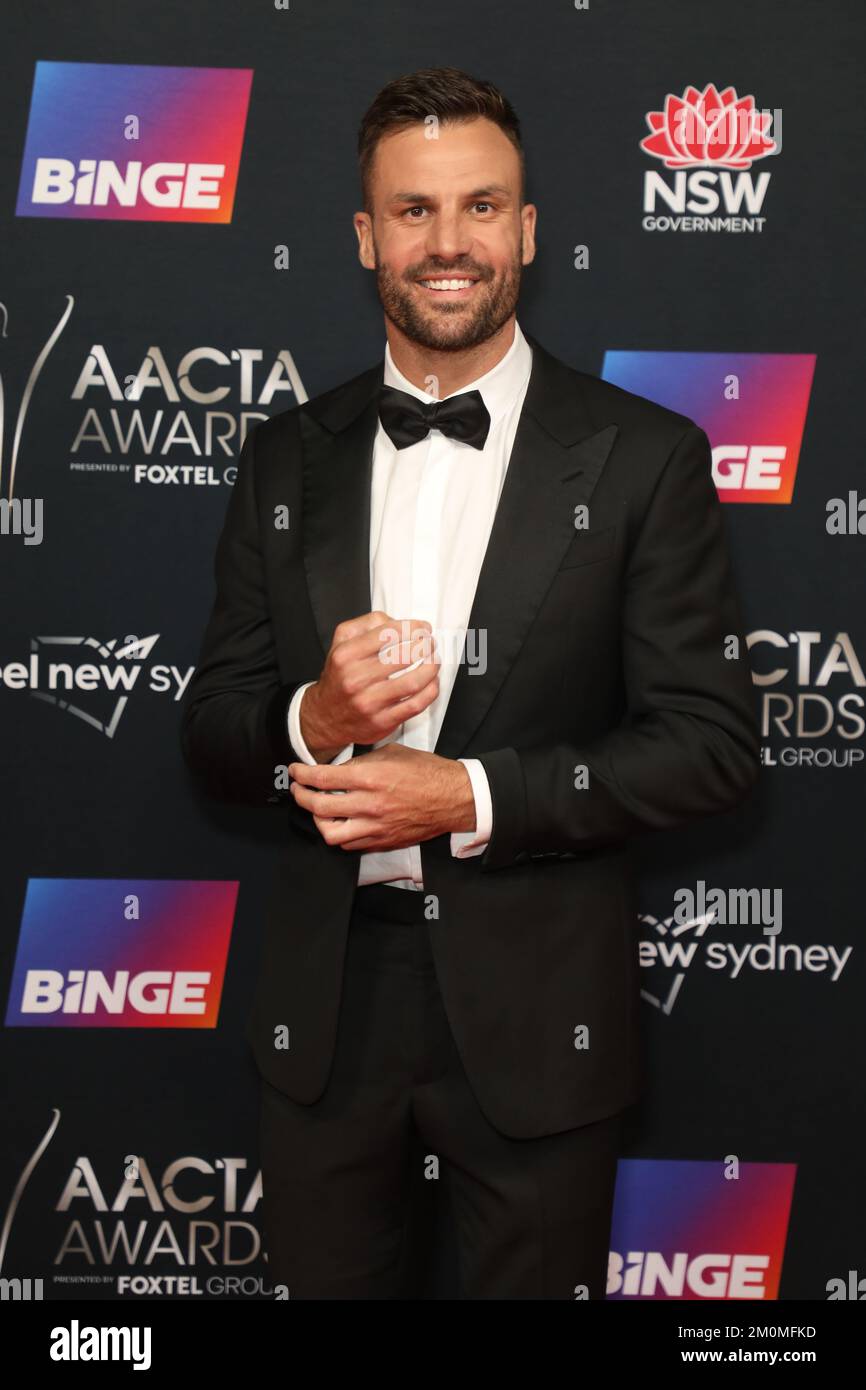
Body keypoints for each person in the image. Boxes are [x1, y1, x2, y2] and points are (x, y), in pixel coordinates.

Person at [180, 66, 761, 1300]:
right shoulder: (284, 453)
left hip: (540, 1015)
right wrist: (311, 721)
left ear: (527, 231)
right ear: (363, 236)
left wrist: (469, 798)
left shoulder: (647, 457)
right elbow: (213, 733)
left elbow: (709, 743)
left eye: (480, 207)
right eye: (411, 211)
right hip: (323, 1017)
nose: (448, 244)